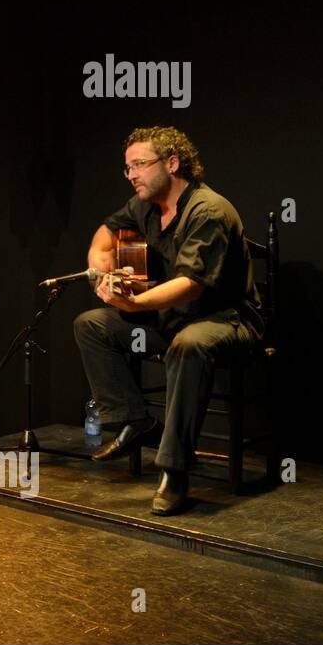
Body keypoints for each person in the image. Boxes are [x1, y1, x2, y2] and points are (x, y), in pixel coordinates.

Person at [74, 127, 262, 515]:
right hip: (172, 319)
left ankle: (174, 471)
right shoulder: (143, 205)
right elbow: (104, 234)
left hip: (226, 320)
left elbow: (190, 286)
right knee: (92, 324)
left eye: (139, 165)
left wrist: (136, 302)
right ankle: (135, 420)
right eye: (127, 168)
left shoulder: (208, 210)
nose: (131, 175)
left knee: (190, 344)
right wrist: (101, 265)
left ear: (172, 163)